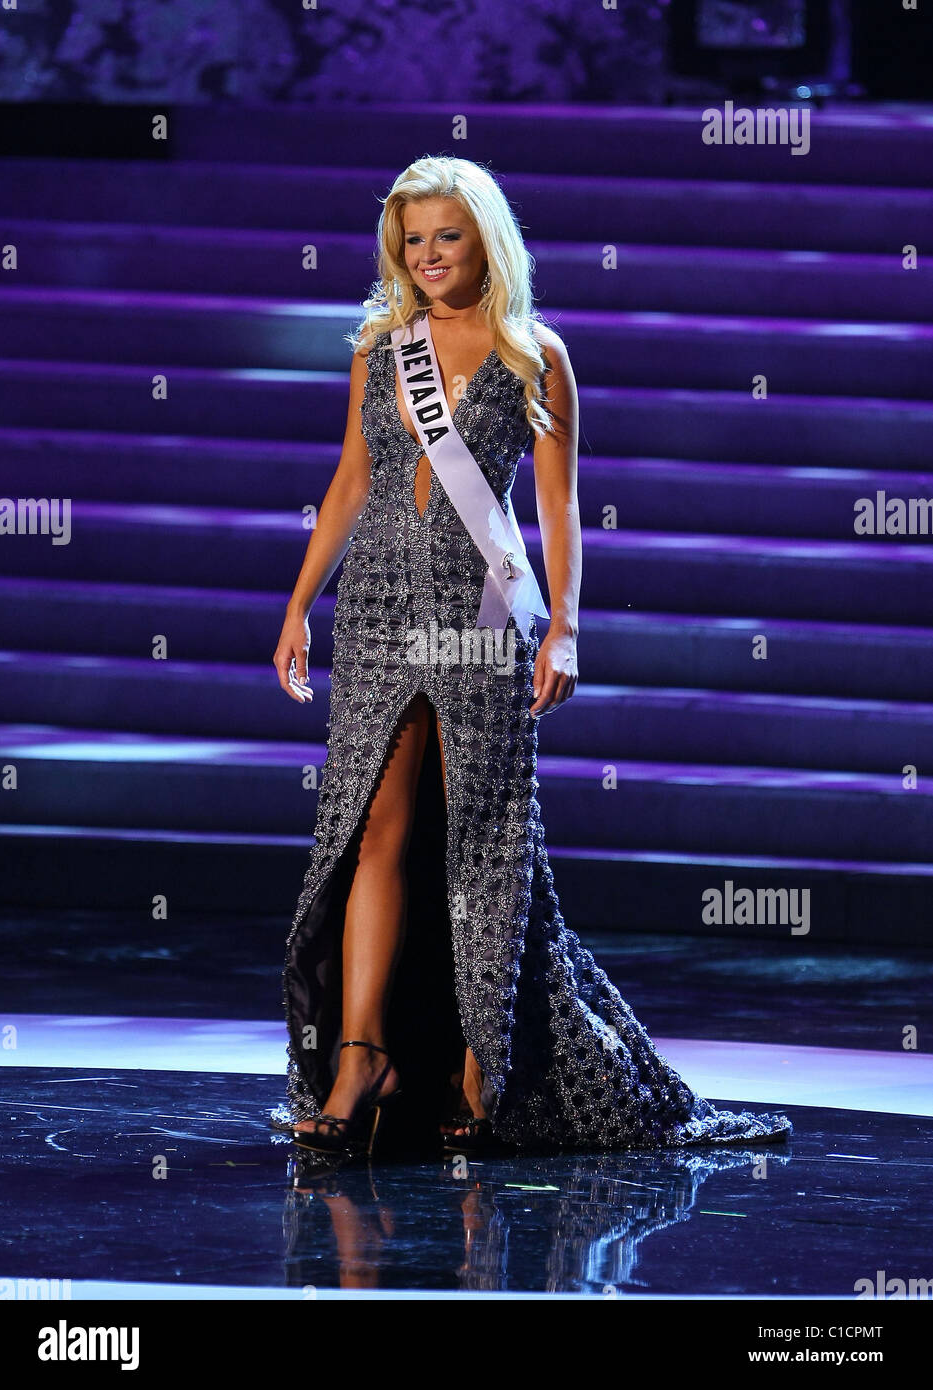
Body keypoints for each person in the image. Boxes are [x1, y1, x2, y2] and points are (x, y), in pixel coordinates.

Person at [270, 155, 792, 1158]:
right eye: (412, 240)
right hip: (378, 606)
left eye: (447, 237)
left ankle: (484, 1067)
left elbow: (559, 511)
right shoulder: (381, 348)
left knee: (482, 838)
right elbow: (348, 478)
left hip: (479, 610)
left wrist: (566, 627)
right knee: (371, 831)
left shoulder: (535, 354)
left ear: (486, 242)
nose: (427, 257)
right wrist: (299, 603)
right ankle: (359, 1055)